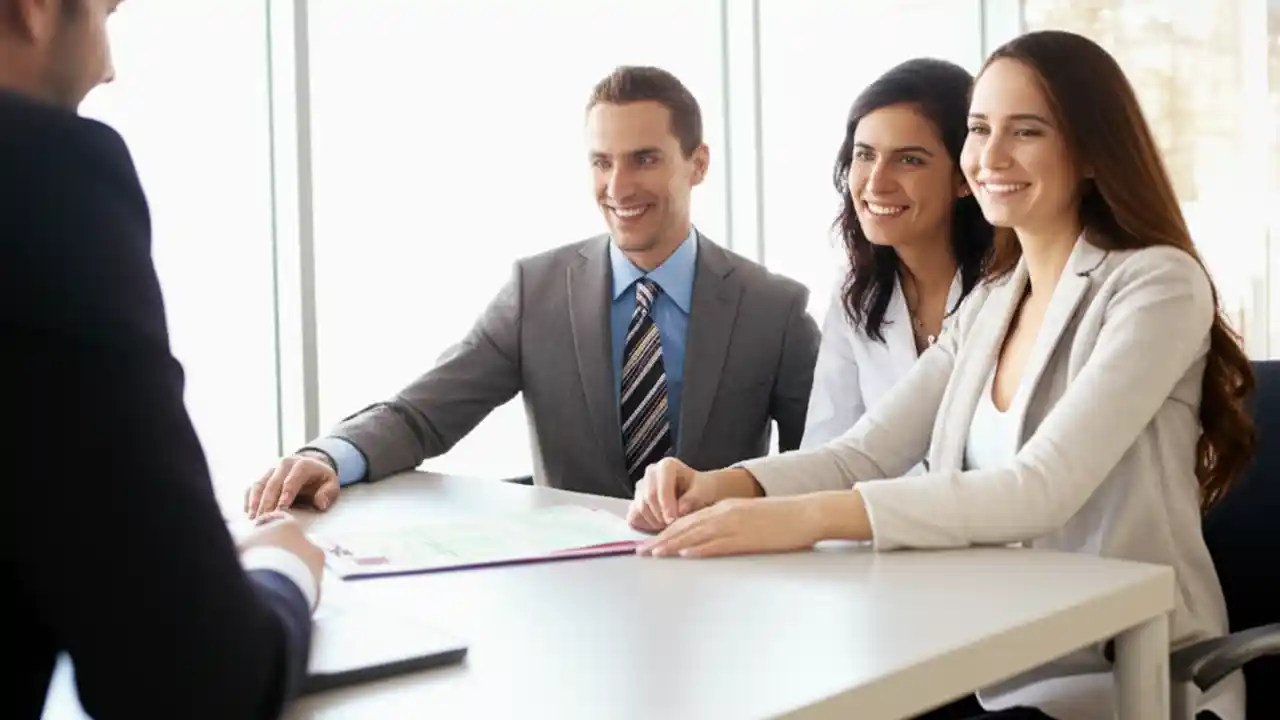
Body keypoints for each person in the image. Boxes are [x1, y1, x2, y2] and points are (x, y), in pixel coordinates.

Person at [628, 30, 1253, 720]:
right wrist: (718, 486)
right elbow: (865, 452)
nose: (990, 157)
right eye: (980, 129)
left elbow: (1039, 490)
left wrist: (799, 519)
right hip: (991, 660)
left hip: (1123, 674)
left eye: (1027, 131)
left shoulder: (1156, 284)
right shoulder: (992, 300)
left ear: (1092, 152)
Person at [246, 65, 820, 517]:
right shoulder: (535, 293)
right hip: (573, 593)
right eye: (602, 162)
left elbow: (829, 468)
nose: (618, 187)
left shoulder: (774, 309)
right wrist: (327, 455)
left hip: (727, 587)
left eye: (644, 159)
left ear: (697, 164)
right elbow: (424, 415)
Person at [2, 1, 322, 717]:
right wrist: (282, 567)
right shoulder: (40, 176)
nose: (108, 67)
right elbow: (195, 680)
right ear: (37, 9)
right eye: (104, 15)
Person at [801, 58, 992, 455]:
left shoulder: (1011, 289)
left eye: (910, 160)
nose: (876, 182)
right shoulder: (856, 291)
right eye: (865, 155)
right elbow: (826, 447)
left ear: (964, 177)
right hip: (873, 516)